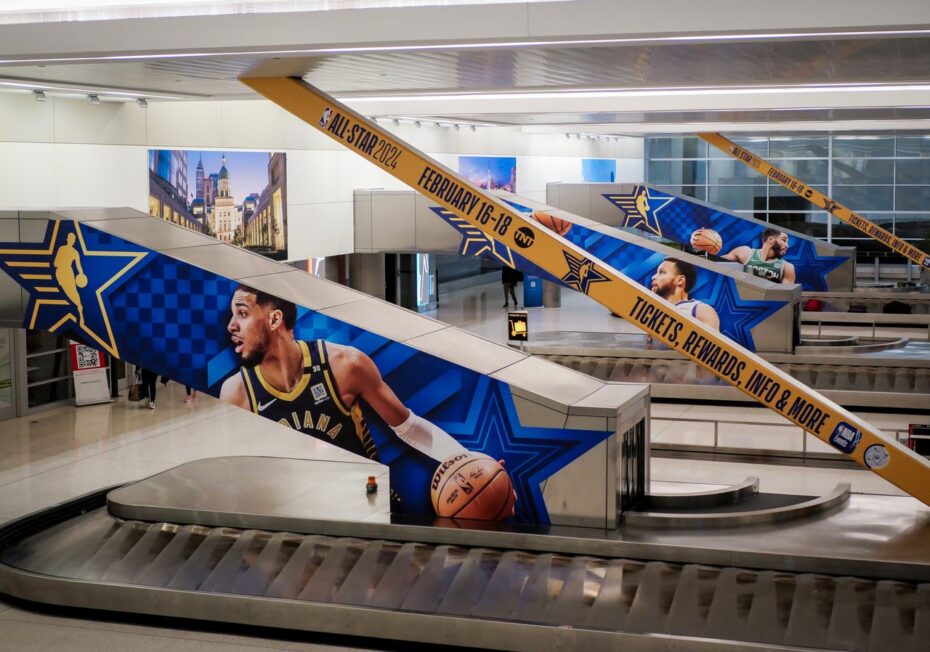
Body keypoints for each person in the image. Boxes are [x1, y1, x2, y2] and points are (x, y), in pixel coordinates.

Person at [219, 285, 515, 517]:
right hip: (302, 516)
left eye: (242, 314)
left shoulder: (344, 364)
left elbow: (408, 427)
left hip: (369, 507)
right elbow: (243, 480)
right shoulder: (238, 394)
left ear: (274, 319)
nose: (231, 325)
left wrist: (476, 465)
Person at [651, 257, 720, 330]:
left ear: (680, 280)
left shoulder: (701, 310)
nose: (653, 277)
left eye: (662, 272)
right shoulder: (653, 311)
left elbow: (713, 341)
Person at [720, 227, 796, 284]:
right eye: (784, 240)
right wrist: (761, 274)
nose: (787, 245)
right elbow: (717, 264)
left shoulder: (787, 268)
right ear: (771, 240)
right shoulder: (744, 252)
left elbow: (783, 296)